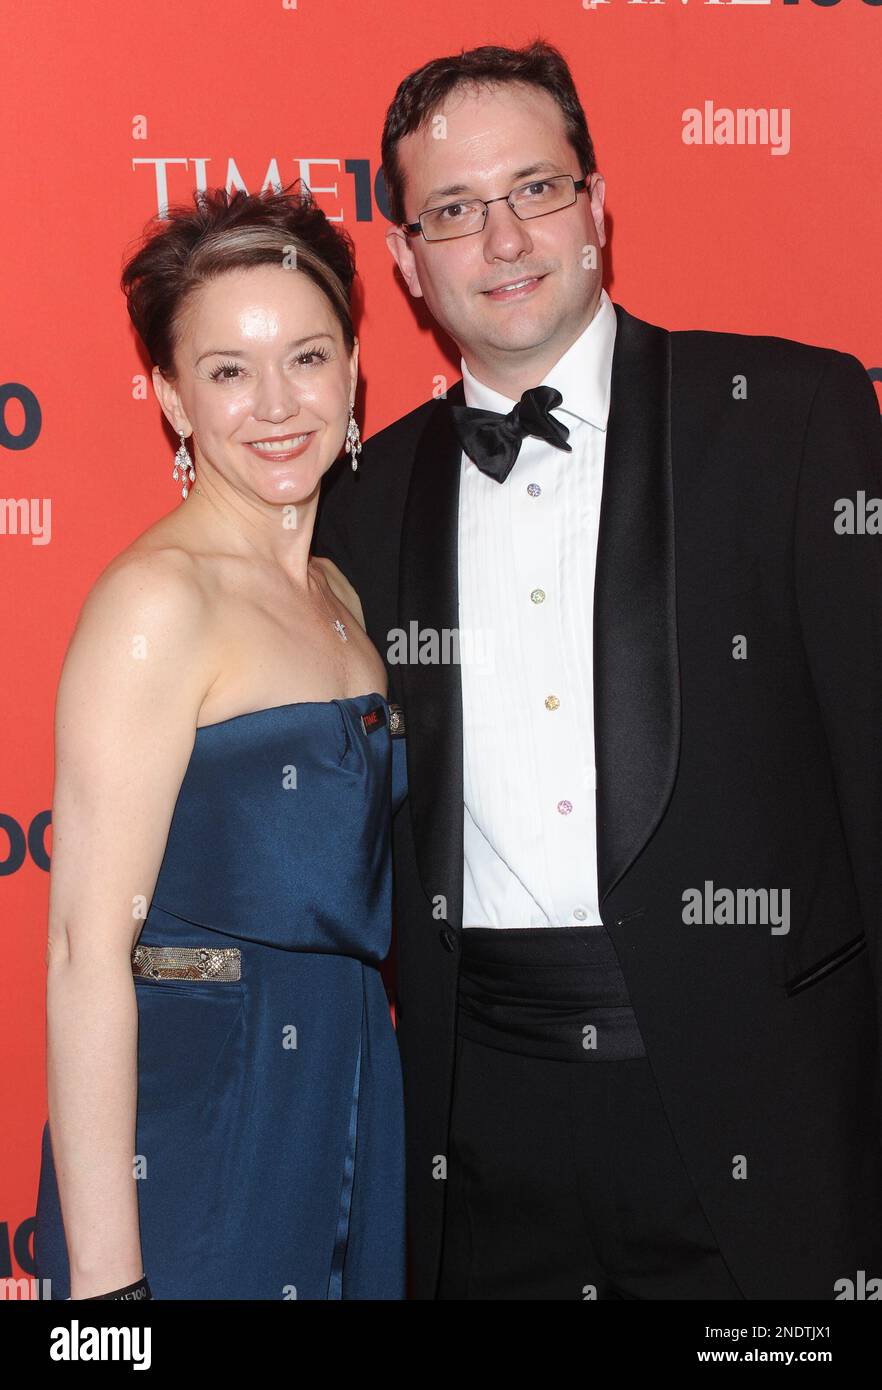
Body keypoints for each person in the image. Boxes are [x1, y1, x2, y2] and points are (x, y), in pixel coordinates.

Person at [314, 38, 882, 1299]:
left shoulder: (789, 417)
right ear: (405, 259)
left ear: (599, 206)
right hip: (484, 1136)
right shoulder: (360, 499)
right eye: (453, 210)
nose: (504, 239)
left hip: (764, 1109)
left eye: (537, 188)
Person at [33, 183, 406, 1300]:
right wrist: (108, 1296)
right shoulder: (160, 602)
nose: (276, 404)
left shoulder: (338, 591)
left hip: (345, 1083)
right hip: (206, 1122)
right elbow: (83, 954)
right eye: (228, 370)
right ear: (172, 399)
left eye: (308, 356)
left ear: (352, 373)